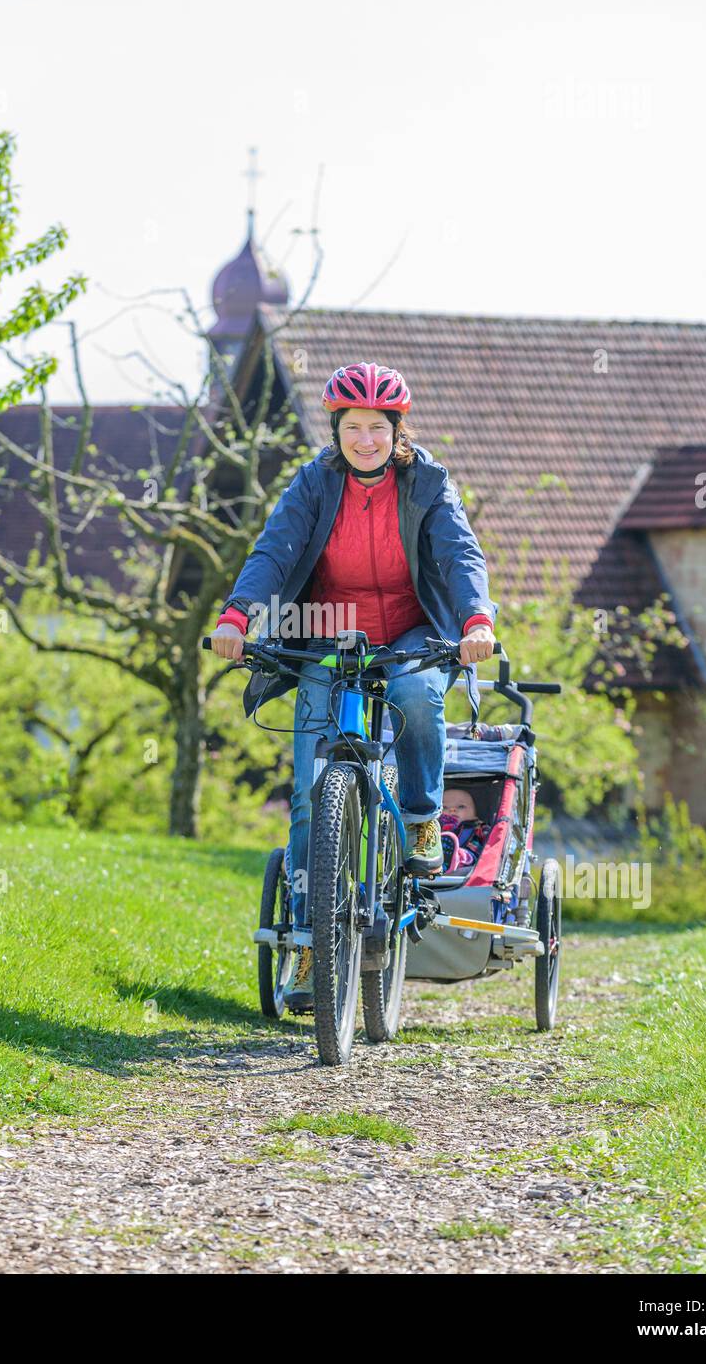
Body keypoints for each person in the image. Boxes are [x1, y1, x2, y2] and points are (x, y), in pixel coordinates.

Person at [206, 362, 497, 1008]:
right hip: (330, 637)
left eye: (377, 427)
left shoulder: (426, 482)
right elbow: (274, 550)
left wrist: (476, 618)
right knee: (312, 797)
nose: (365, 439)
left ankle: (420, 820)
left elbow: (459, 556)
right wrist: (237, 615)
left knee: (419, 695)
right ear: (335, 429)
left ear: (397, 431)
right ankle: (311, 946)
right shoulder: (314, 483)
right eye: (353, 426)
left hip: (411, 632)